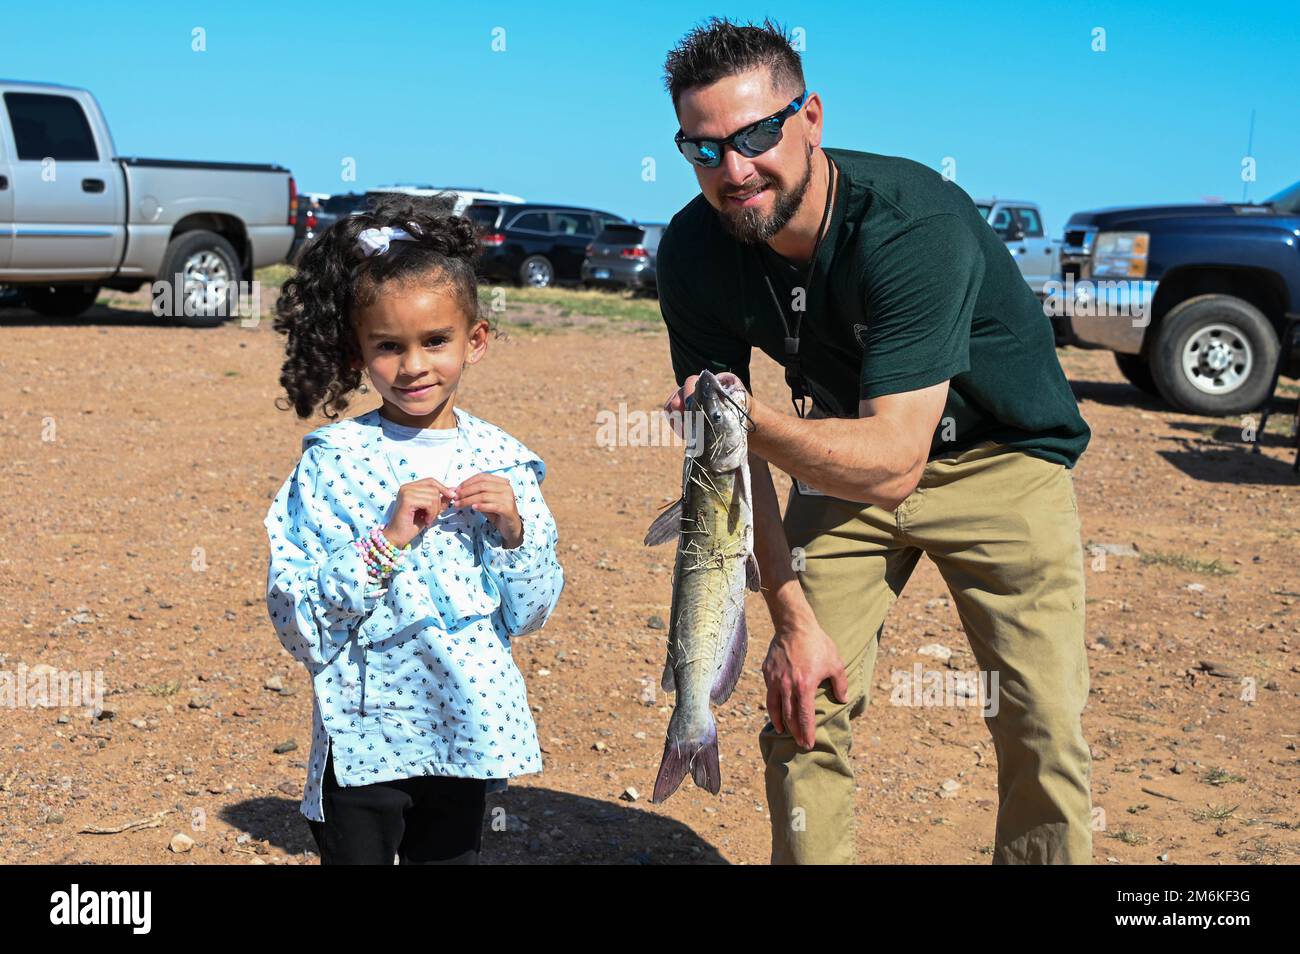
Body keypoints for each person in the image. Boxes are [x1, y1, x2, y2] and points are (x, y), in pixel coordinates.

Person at [657, 18, 1093, 864]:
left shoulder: (910, 224)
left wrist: (749, 419)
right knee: (801, 705)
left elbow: (894, 462)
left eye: (755, 135)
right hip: (834, 460)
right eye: (704, 149)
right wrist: (789, 619)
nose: (735, 169)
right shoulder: (694, 250)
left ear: (811, 118)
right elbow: (726, 469)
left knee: (1041, 718)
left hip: (998, 460)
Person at [263, 194, 564, 864]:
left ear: (475, 340)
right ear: (358, 351)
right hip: (366, 738)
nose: (414, 366)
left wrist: (514, 531)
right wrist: (385, 541)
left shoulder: (506, 462)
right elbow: (297, 615)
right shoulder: (333, 464)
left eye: (435, 341)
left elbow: (531, 611)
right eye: (389, 346)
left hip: (464, 727)